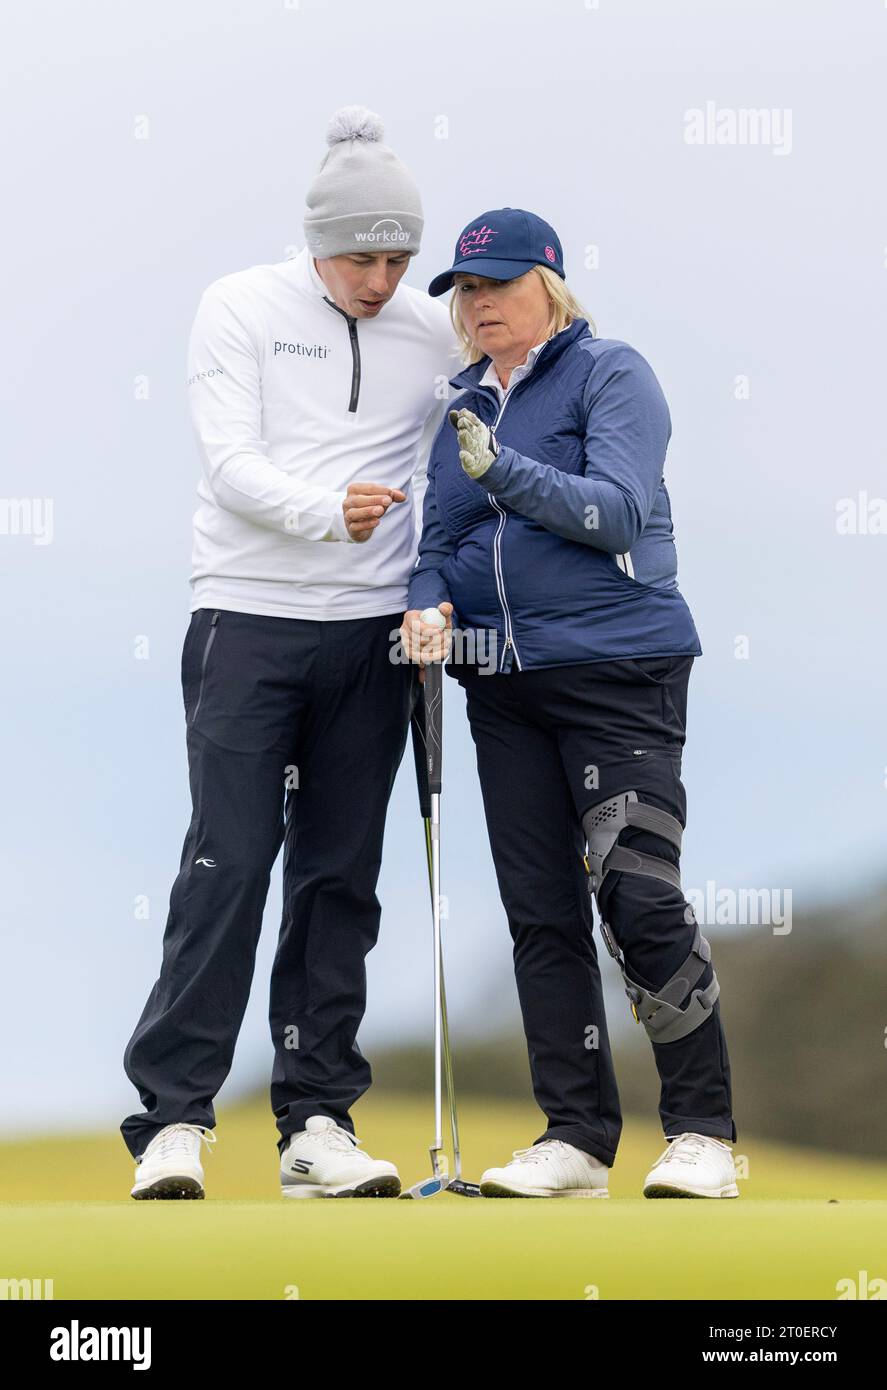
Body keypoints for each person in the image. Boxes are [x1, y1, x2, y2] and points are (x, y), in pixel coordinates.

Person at [121, 106, 455, 1200]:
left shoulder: (425, 328)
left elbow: (457, 458)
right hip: (248, 621)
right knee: (225, 861)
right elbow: (230, 466)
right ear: (316, 239)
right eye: (361, 254)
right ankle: (173, 1118)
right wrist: (329, 513)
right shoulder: (239, 306)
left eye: (397, 256)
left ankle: (316, 1118)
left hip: (372, 640)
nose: (379, 277)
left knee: (337, 879)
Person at [401, 207, 738, 1199]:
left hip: (618, 667)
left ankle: (704, 1135)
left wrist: (499, 468)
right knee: (538, 912)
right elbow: (436, 543)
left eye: (497, 285)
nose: (479, 304)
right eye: (465, 290)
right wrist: (427, 604)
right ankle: (577, 1140)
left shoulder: (609, 374)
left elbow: (616, 510)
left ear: (548, 284)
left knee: (634, 894)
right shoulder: (461, 403)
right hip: (500, 684)